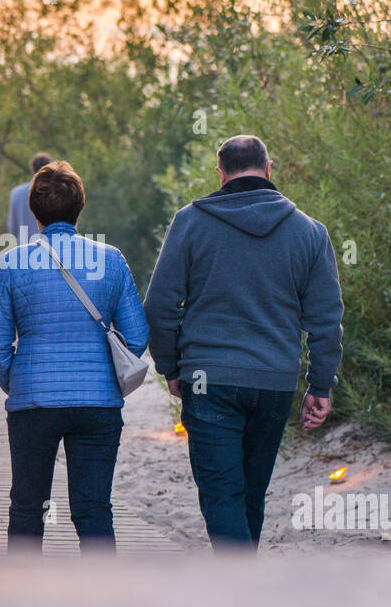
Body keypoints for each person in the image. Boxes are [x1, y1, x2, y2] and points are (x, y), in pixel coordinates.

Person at [143, 134, 344, 551]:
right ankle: (245, 590)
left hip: (207, 379)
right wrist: (320, 385)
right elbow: (326, 321)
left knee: (222, 496)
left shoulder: (190, 222)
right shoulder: (310, 232)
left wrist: (171, 368)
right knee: (251, 496)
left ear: (220, 175)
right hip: (275, 381)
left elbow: (160, 306)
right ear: (270, 170)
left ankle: (238, 593)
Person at [0, 160, 148, 554]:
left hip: (33, 402)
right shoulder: (111, 259)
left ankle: (22, 601)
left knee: (26, 507)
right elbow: (138, 337)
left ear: (33, 210)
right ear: (80, 206)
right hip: (98, 404)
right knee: (93, 509)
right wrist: (103, 376)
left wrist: (18, 379)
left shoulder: (13, 262)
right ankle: (100, 604)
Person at [7, 152, 53, 245]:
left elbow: (12, 229)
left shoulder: (16, 194)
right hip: (51, 250)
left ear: (32, 170)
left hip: (25, 250)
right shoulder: (57, 193)